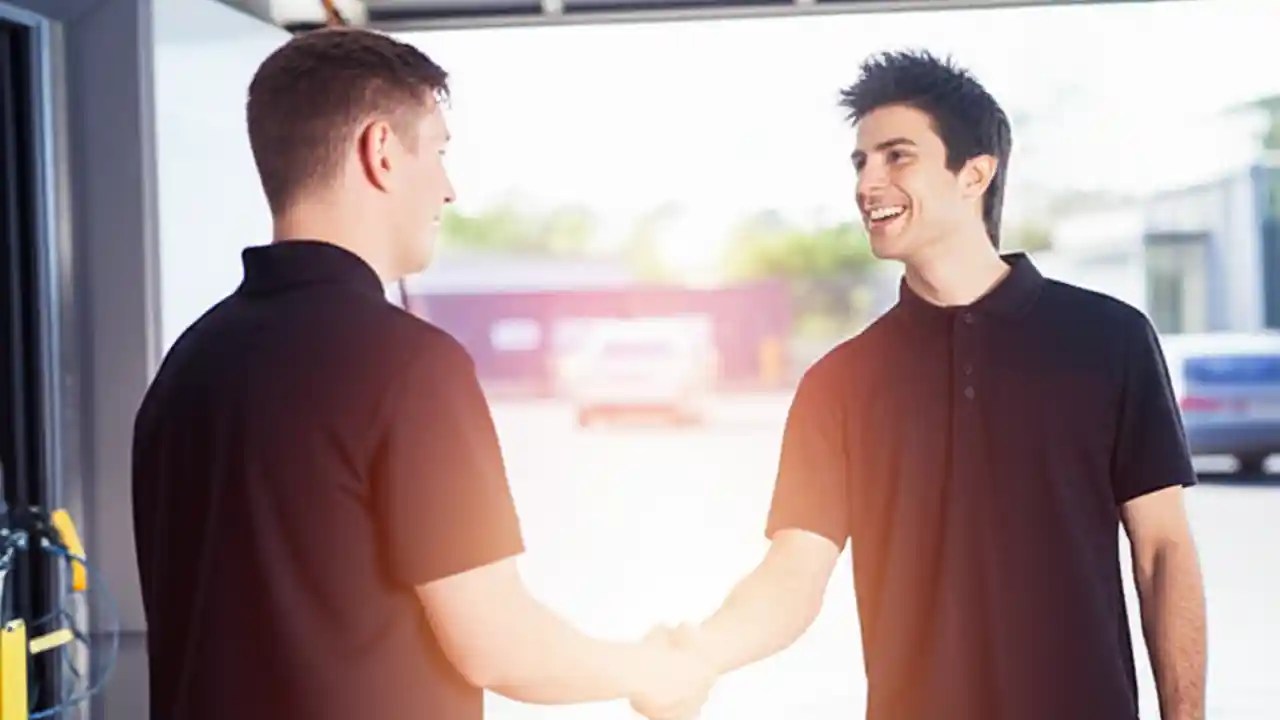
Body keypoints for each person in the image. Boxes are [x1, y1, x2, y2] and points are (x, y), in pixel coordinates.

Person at [131, 27, 712, 720]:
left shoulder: (189, 365)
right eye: (437, 152)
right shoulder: (409, 366)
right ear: (380, 150)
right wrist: (655, 670)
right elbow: (500, 644)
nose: (448, 189)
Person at [650, 50, 1207, 720]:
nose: (868, 183)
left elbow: (1162, 553)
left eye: (897, 156)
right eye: (860, 162)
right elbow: (793, 573)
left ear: (974, 174)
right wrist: (702, 653)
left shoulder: (1109, 340)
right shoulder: (839, 384)